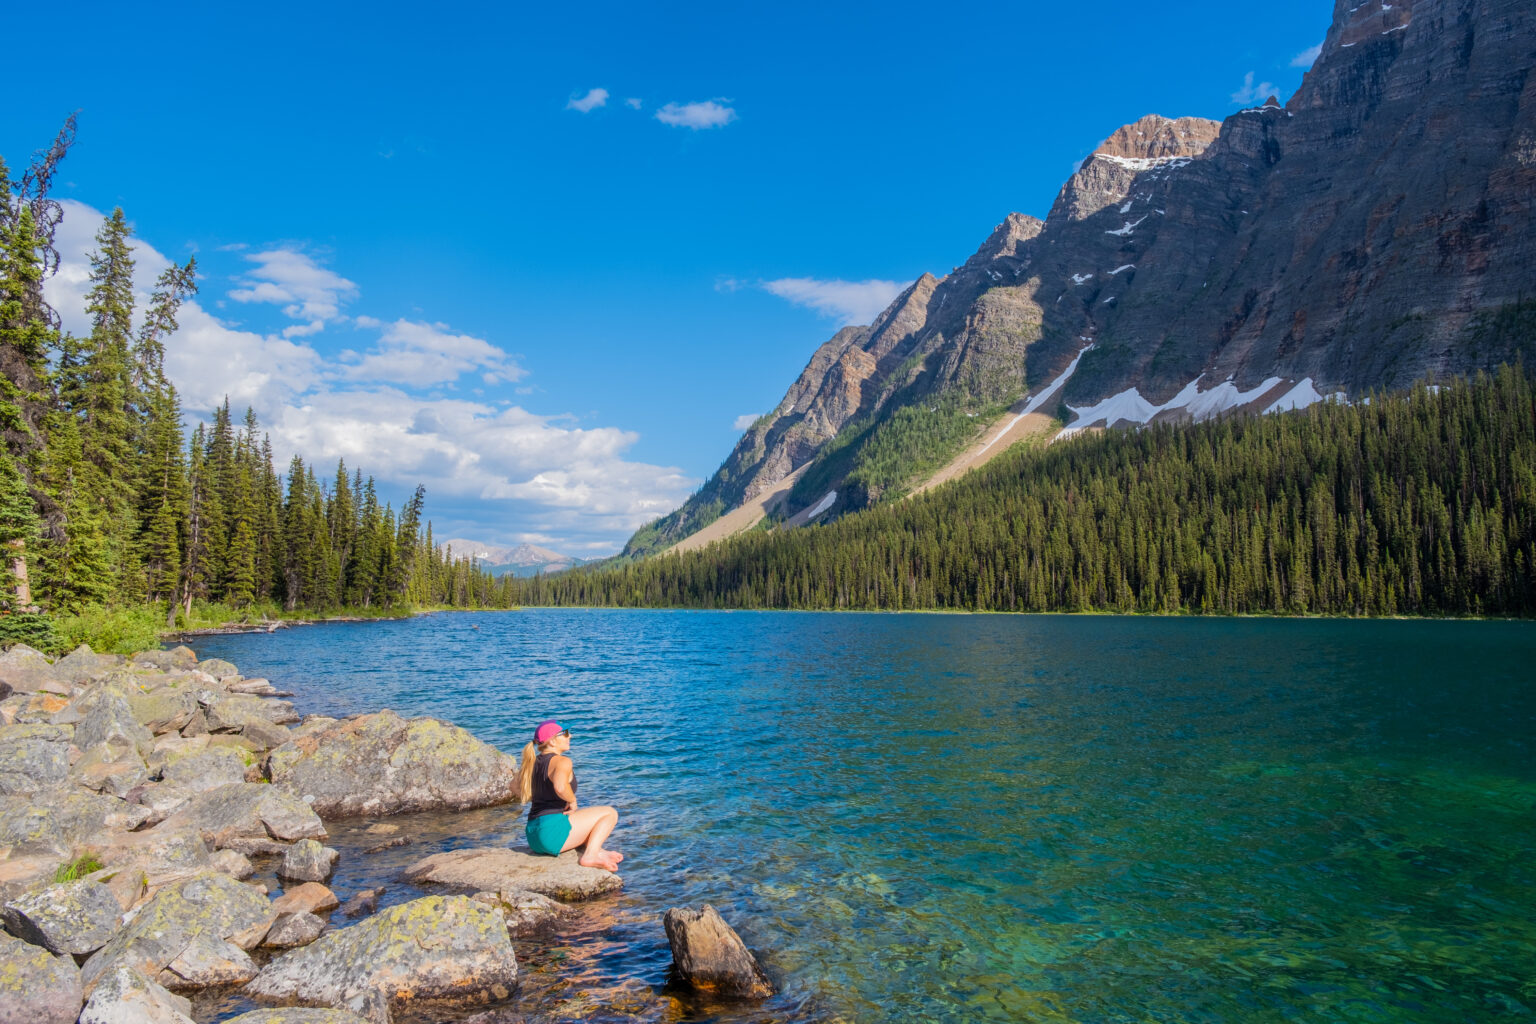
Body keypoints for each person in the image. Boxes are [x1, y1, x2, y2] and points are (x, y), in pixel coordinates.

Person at [516, 719, 622, 872]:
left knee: (581, 820)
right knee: (610, 813)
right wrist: (572, 800)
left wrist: (539, 795)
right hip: (551, 835)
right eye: (564, 733)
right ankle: (590, 855)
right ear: (552, 741)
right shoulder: (562, 762)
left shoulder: (531, 763)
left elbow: (513, 787)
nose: (570, 736)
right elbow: (560, 787)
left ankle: (597, 850)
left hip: (533, 836)